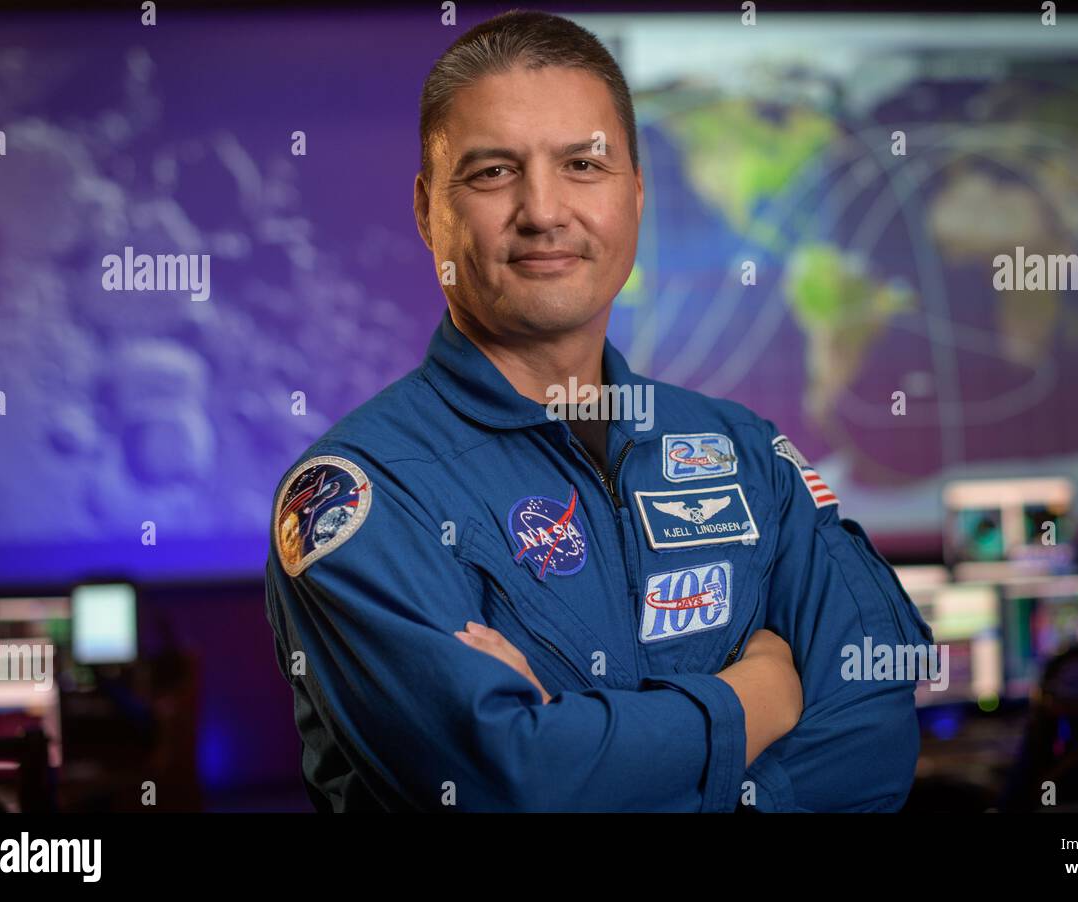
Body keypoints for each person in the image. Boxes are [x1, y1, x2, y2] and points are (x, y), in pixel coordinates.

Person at [264, 9, 934, 812]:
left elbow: (874, 744)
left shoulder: (744, 452)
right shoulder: (361, 497)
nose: (544, 210)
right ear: (426, 211)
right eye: (492, 173)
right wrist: (755, 700)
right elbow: (508, 784)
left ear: (637, 196)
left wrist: (593, 754)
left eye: (584, 164)